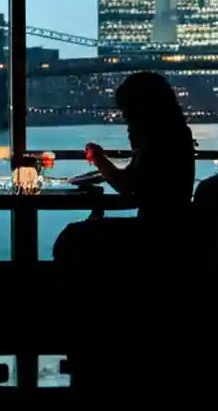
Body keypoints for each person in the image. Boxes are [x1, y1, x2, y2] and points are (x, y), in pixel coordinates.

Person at [53, 71, 196, 265]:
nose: (125, 118)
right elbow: (134, 184)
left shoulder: (157, 144)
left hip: (153, 236)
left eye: (126, 111)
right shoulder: (175, 137)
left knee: (70, 238)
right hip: (173, 233)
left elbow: (127, 186)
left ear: (141, 108)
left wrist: (98, 158)